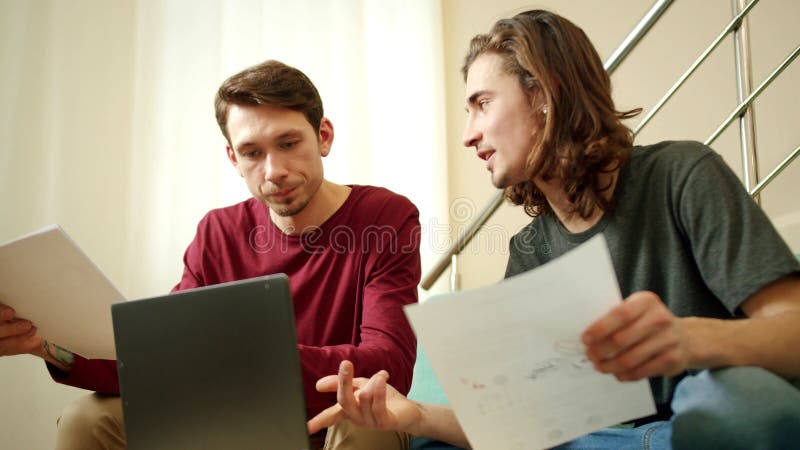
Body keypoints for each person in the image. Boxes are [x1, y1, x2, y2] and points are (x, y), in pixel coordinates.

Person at [307, 9, 800, 450]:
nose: (468, 134)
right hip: (614, 437)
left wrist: (689, 340)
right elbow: (519, 423)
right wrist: (415, 416)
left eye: (482, 104)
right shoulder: (531, 249)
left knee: (722, 399)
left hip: (713, 416)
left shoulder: (681, 174)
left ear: (544, 93)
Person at [0, 60, 421, 450]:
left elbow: (389, 366)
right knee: (87, 417)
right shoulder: (217, 232)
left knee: (368, 419)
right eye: (253, 152)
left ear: (323, 136)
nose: (274, 170)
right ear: (233, 158)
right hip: (238, 420)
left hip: (340, 419)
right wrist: (46, 346)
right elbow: (160, 359)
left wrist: (244, 360)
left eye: (289, 143)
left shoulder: (386, 218)